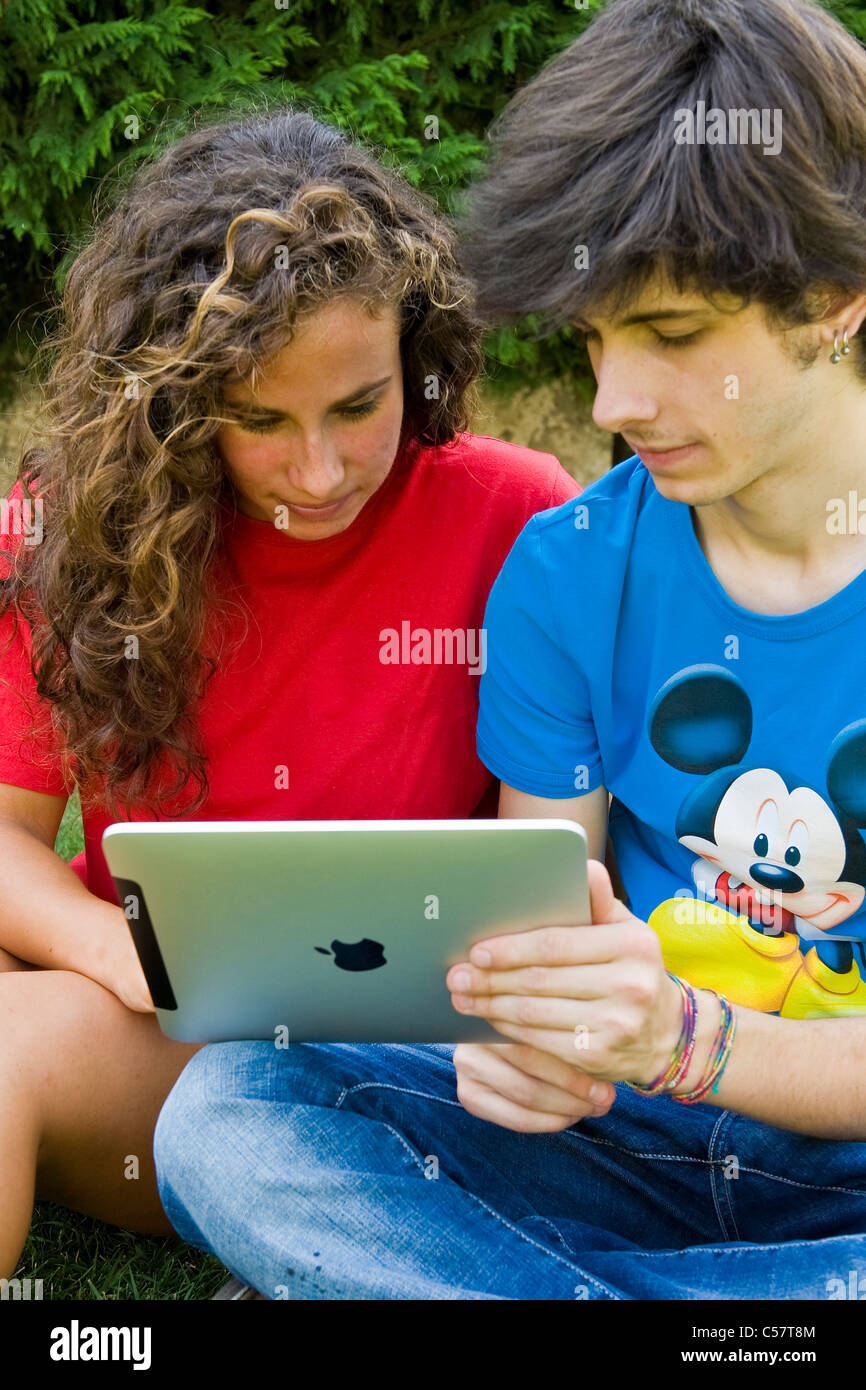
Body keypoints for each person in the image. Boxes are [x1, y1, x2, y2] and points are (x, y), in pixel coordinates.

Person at [153, 0, 866, 1301]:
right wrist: (529, 1038)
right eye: (592, 339)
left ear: (831, 300)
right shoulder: (568, 568)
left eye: (672, 336)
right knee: (230, 1111)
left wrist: (696, 1040)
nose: (610, 402)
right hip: (625, 1138)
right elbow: (548, 916)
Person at [0, 106, 580, 1280]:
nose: (317, 472)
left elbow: (559, 855)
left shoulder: (518, 511)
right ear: (173, 400)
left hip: (429, 1063)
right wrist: (113, 950)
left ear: (414, 357)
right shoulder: (75, 532)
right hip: (156, 1038)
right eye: (258, 419)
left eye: (358, 406)